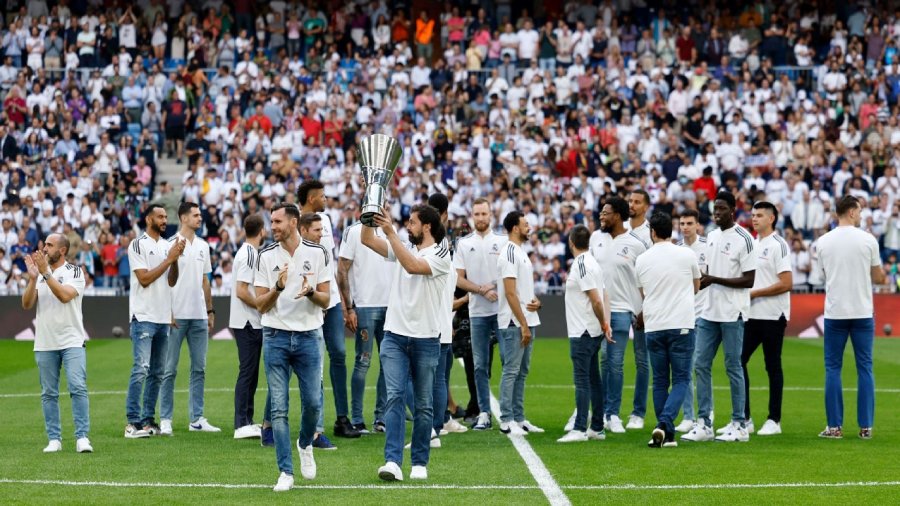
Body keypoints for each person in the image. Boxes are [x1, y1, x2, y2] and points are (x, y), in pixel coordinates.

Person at [362, 204, 451, 482]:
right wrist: (370, 211)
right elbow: (367, 239)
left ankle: (420, 461)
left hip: (426, 338)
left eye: (412, 223)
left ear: (426, 226)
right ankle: (392, 461)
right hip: (395, 336)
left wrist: (390, 233)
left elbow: (413, 267)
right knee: (395, 396)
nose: (407, 226)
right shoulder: (405, 248)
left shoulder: (441, 252)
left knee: (424, 405)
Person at [254, 203, 331, 491]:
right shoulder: (265, 256)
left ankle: (305, 443)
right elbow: (260, 304)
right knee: (279, 409)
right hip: (275, 336)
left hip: (310, 336)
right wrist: (278, 286)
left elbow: (326, 300)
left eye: (277, 222)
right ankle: (285, 471)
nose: (272, 226)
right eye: (271, 222)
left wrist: (311, 292)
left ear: (294, 222)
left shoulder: (318, 252)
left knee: (313, 403)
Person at [684, 191, 756, 443]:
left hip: (732, 312)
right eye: (715, 208)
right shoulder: (711, 237)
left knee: (733, 366)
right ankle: (704, 423)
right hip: (709, 311)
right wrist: (700, 282)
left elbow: (750, 279)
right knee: (700, 364)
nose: (717, 212)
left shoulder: (744, 238)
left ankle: (739, 424)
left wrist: (715, 279)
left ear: (733, 210)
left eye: (722, 208)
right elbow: (707, 273)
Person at [814, 195, 885, 439]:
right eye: (860, 210)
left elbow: (821, 276)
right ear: (852, 212)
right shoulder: (868, 240)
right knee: (865, 367)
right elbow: (879, 278)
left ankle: (834, 427)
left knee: (833, 368)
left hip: (835, 313)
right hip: (862, 312)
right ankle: (866, 427)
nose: (862, 214)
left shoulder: (822, 241)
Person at [21, 234, 92, 453]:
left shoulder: (75, 272)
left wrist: (45, 273)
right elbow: (26, 304)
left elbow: (64, 295)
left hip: (72, 339)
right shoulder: (40, 275)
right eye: (44, 245)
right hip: (45, 341)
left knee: (77, 387)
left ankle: (82, 437)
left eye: (49, 246)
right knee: (48, 393)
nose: (44, 249)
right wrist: (33, 278)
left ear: (62, 251)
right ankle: (54, 439)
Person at [636, 213, 701, 448]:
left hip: (654, 325)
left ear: (652, 232)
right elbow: (696, 286)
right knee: (682, 378)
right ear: (671, 231)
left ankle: (667, 435)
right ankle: (664, 423)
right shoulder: (687, 254)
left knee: (661, 380)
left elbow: (644, 293)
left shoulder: (642, 260)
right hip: (681, 323)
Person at [298, 180, 357, 444]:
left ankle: (341, 418)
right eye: (322, 196)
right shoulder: (291, 220)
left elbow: (331, 263)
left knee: (340, 353)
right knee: (314, 362)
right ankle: (312, 423)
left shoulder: (326, 220)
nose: (325, 199)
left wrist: (345, 304)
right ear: (311, 199)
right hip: (306, 301)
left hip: (330, 299)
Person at [589, 197, 648, 434]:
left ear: (619, 215)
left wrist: (644, 308)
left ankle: (612, 414)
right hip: (597, 310)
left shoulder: (636, 244)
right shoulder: (595, 238)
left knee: (614, 362)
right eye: (601, 212)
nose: (601, 216)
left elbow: (645, 278)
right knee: (599, 361)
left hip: (623, 309)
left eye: (606, 213)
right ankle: (599, 410)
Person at [160, 202, 220, 435]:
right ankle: (165, 418)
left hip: (198, 316)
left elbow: (205, 281)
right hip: (175, 315)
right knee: (169, 369)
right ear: (183, 218)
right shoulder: (168, 245)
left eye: (199, 214)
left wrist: (210, 310)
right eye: (195, 215)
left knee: (199, 368)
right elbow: (163, 281)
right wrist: (168, 310)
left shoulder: (204, 246)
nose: (199, 218)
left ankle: (197, 418)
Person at [125, 205, 184, 439]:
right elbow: (145, 279)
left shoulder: (166, 246)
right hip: (143, 315)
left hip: (162, 317)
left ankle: (148, 420)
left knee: (158, 372)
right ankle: (132, 422)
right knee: (141, 369)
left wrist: (175, 259)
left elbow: (171, 281)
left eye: (165, 217)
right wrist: (169, 258)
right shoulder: (138, 244)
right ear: (148, 219)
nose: (164, 220)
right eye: (160, 216)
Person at [453, 198, 507, 430]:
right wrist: (481, 290)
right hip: (477, 313)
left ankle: (510, 412)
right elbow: (458, 278)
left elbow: (509, 275)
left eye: (484, 214)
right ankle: (484, 412)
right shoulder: (464, 244)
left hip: (503, 311)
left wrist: (492, 287)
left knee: (509, 362)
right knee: (479, 365)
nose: (481, 218)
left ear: (491, 215)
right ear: (472, 216)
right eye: (477, 214)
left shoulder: (503, 242)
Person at [338, 210, 393, 434]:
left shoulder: (392, 230)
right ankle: (358, 418)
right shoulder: (353, 232)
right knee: (363, 361)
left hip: (391, 306)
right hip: (365, 305)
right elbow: (342, 268)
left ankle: (381, 417)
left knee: (388, 364)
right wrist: (348, 306)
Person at [742, 201, 793, 437]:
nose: (754, 218)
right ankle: (744, 417)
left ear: (771, 218)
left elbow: (786, 283)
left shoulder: (778, 245)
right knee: (738, 361)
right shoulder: (751, 243)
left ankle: (774, 419)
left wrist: (755, 293)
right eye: (753, 215)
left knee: (772, 365)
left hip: (773, 315)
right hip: (750, 315)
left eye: (759, 215)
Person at [558, 224, 611, 443]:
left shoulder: (582, 264)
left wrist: (603, 323)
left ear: (571, 242)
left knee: (582, 380)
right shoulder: (593, 263)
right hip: (590, 328)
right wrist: (604, 323)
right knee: (593, 379)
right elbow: (604, 294)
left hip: (584, 330)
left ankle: (580, 428)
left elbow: (597, 299)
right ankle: (596, 427)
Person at [496, 210, 544, 436]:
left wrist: (536, 303)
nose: (529, 227)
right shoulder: (509, 253)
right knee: (511, 370)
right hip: (514, 322)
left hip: (526, 319)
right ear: (515, 228)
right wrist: (523, 323)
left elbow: (523, 292)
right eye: (525, 224)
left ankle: (519, 417)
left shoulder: (521, 252)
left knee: (522, 372)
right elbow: (510, 293)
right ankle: (506, 419)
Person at [231, 214, 265, 440]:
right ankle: (241, 423)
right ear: (261, 231)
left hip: (247, 321)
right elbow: (242, 290)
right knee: (247, 372)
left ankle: (247, 420)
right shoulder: (249, 254)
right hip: (248, 321)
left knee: (251, 373)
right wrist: (261, 306)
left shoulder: (246, 252)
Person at [674, 209, 709, 432]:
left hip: (706, 314)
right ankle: (688, 415)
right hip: (683, 315)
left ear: (698, 225)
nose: (685, 227)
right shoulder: (676, 250)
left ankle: (707, 412)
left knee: (701, 366)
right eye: (682, 223)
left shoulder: (708, 247)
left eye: (689, 223)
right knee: (685, 366)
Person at [623, 189, 652, 430]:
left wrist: (646, 307)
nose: (631, 205)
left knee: (642, 361)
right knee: (608, 360)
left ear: (646, 206)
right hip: (618, 305)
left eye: (636, 202)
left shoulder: (650, 234)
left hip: (642, 307)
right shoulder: (619, 228)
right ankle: (603, 411)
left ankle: (638, 413)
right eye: (630, 201)